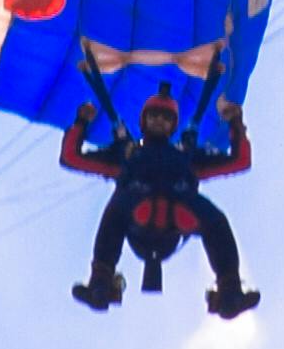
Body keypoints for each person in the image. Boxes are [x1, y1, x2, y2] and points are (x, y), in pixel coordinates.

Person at [62, 71, 259, 318]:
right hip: (136, 214)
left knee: (215, 220)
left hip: (179, 212)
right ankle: (100, 281)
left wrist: (235, 122)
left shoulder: (188, 157)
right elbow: (71, 158)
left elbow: (240, 161)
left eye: (166, 117)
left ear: (173, 125)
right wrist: (81, 122)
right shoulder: (123, 155)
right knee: (118, 206)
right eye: (153, 116)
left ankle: (230, 290)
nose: (159, 121)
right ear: (143, 122)